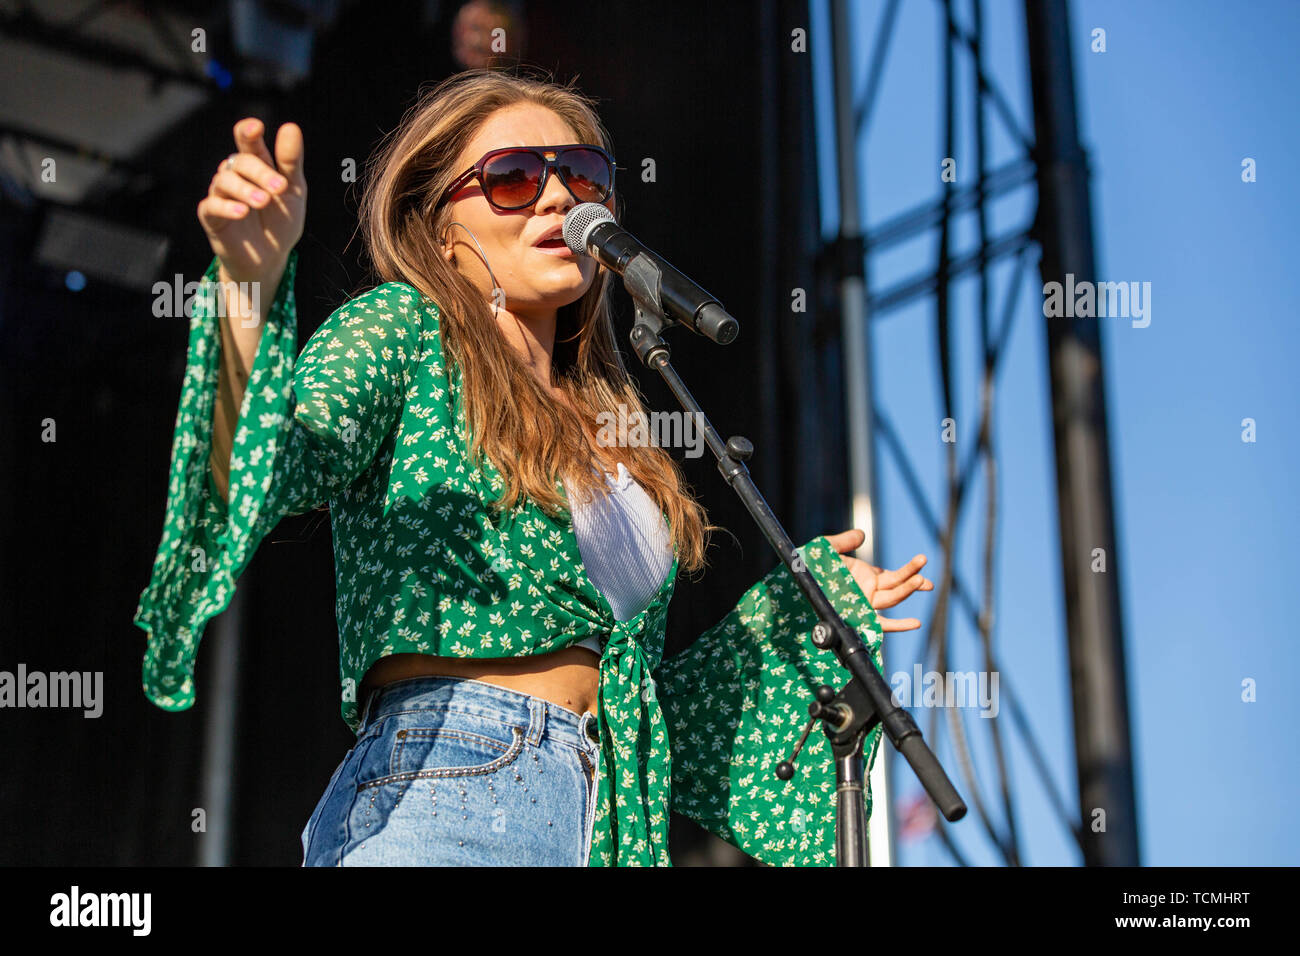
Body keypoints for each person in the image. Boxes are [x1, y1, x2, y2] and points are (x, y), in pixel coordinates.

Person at [133, 67, 933, 866]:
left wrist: (788, 626)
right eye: (513, 178)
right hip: (447, 781)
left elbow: (643, 711)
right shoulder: (406, 329)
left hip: (596, 815)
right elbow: (265, 463)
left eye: (583, 176)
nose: (560, 199)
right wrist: (246, 288)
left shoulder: (613, 420)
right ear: (439, 224)